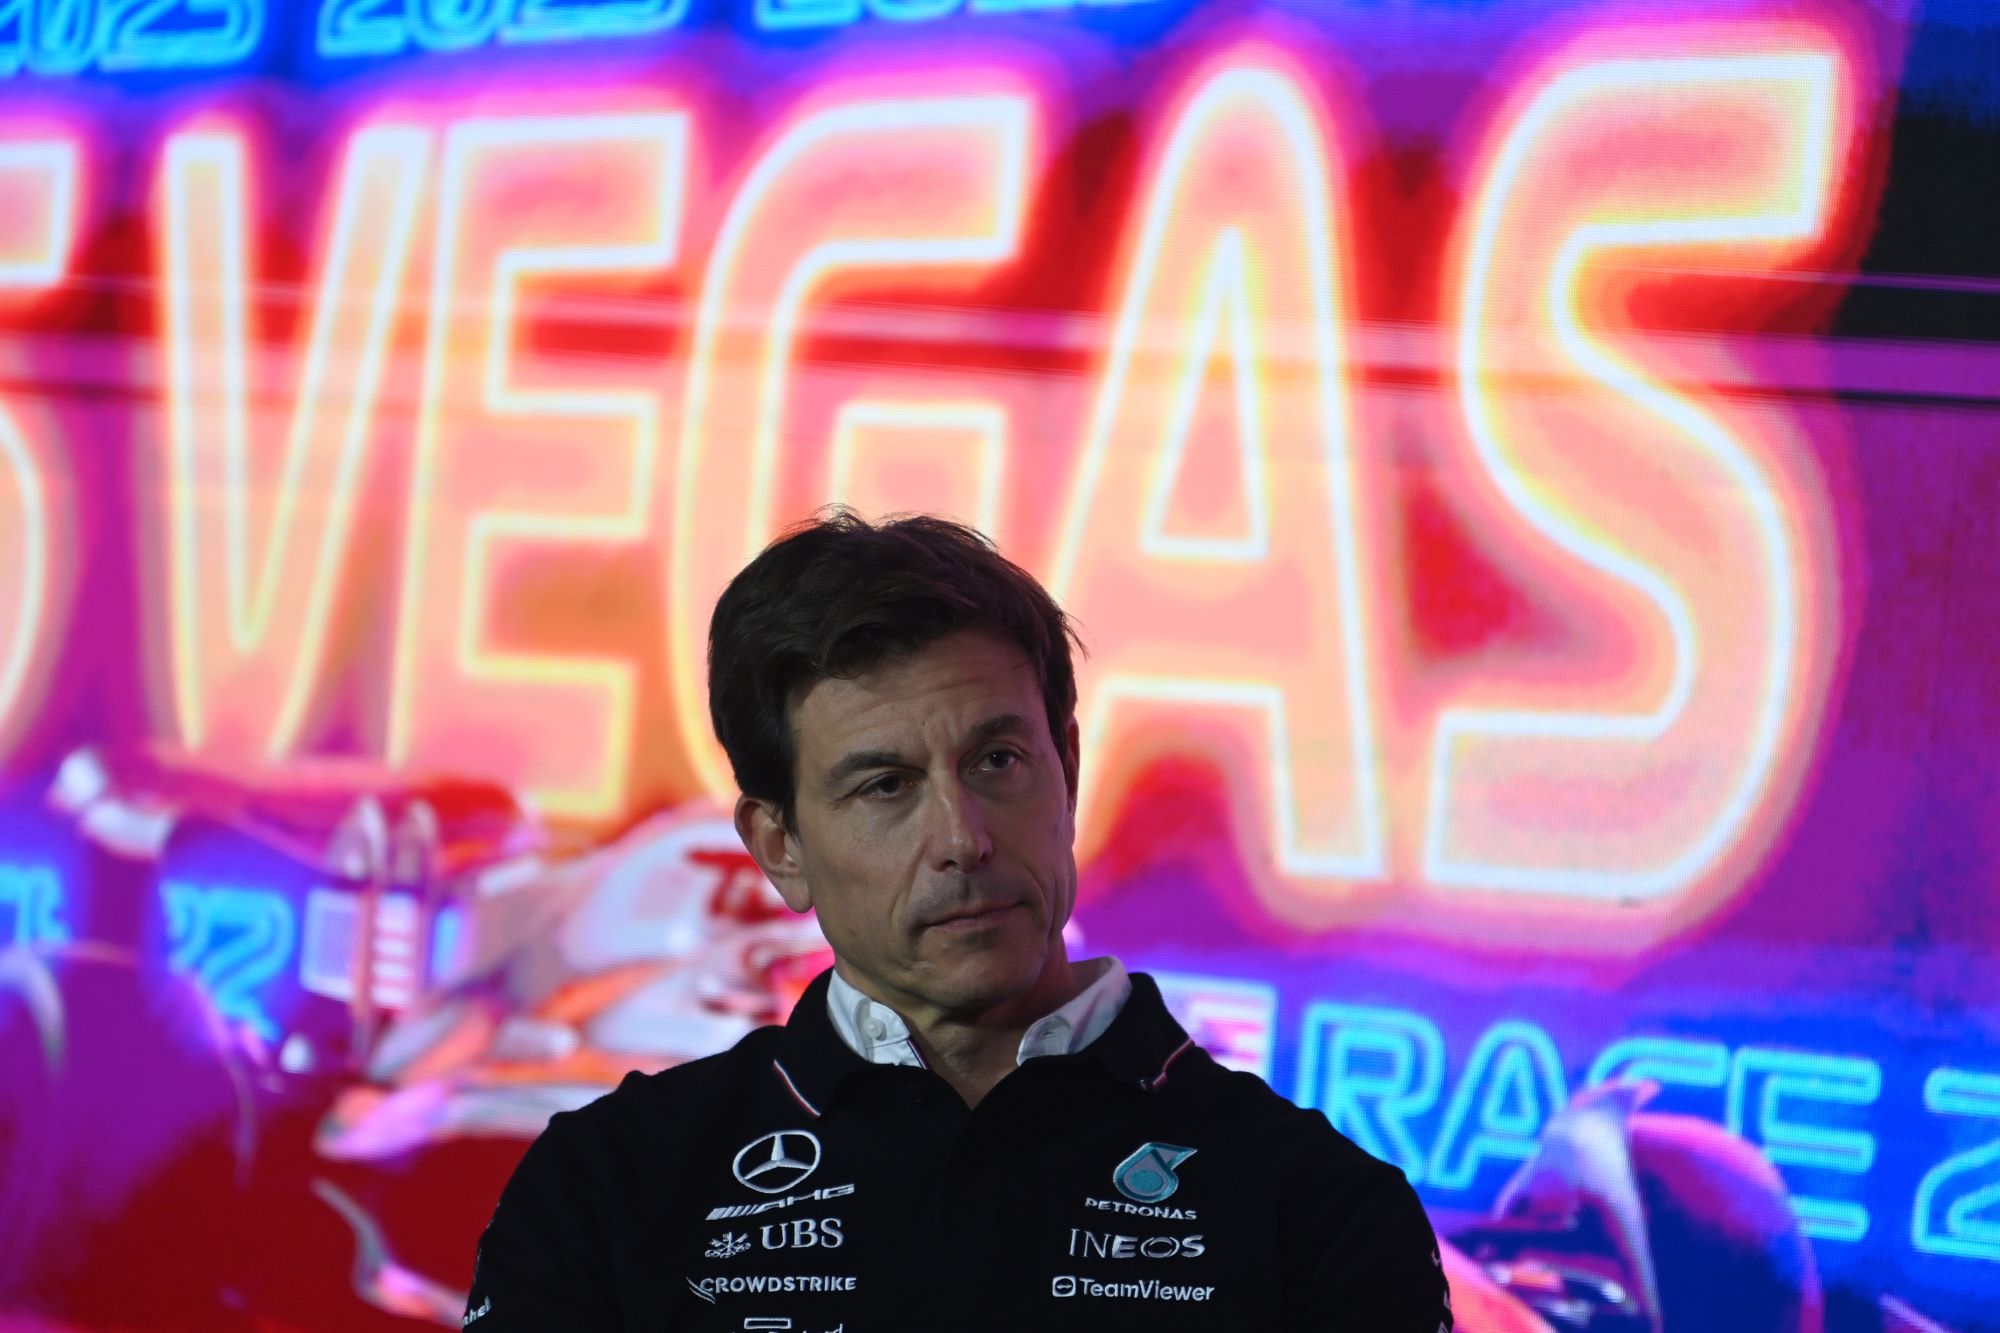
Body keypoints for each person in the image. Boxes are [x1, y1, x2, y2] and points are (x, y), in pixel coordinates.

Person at [463, 510, 1453, 1331]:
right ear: (779, 846)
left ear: (1067, 768)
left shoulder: (1313, 1206)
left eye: (997, 761)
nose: (963, 837)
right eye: (885, 785)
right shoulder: (609, 1188)